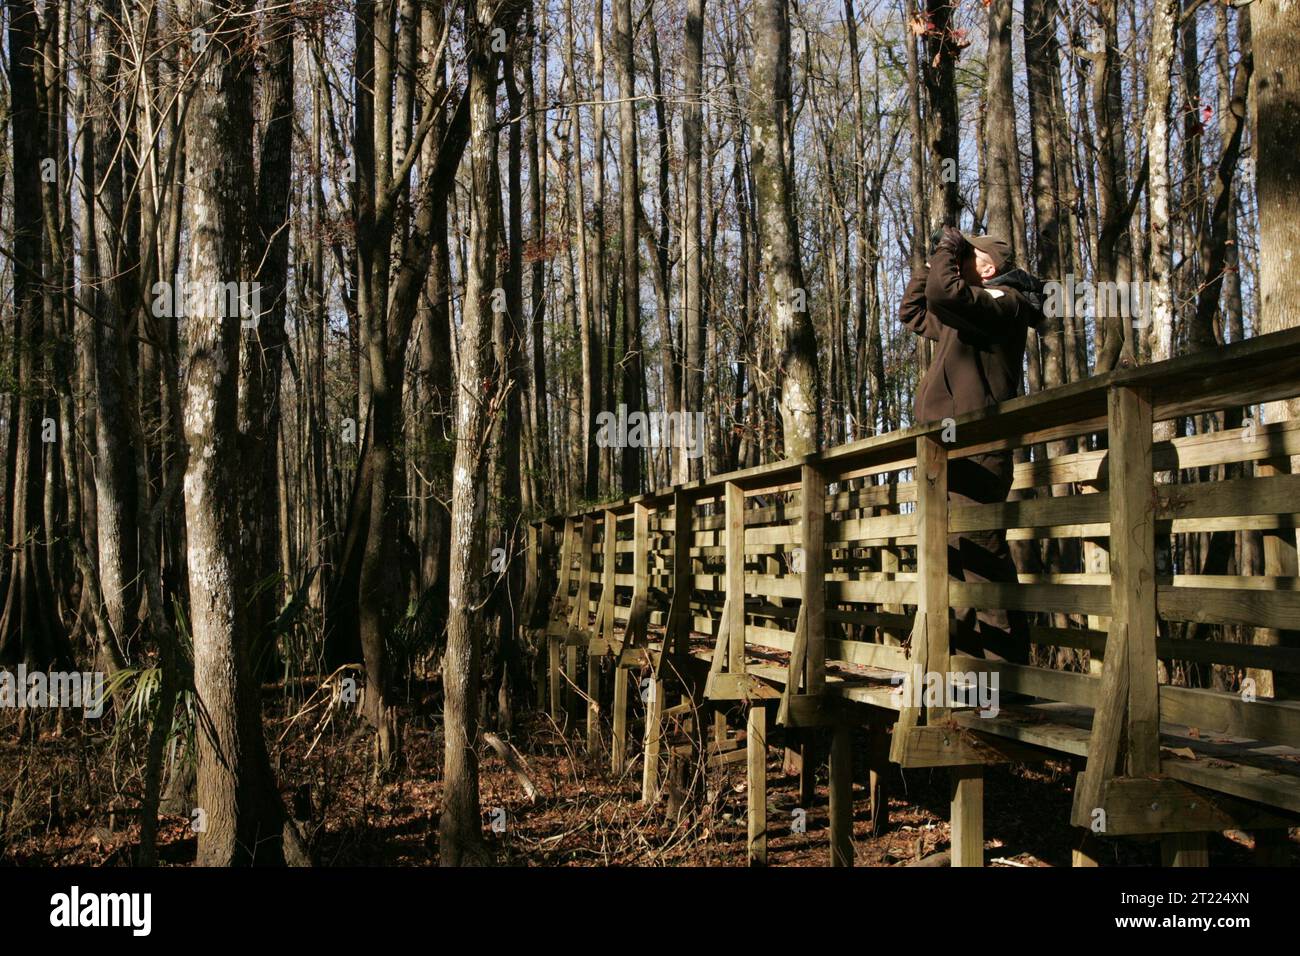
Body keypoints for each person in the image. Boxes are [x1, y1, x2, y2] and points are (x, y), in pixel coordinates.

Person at [899, 225, 1045, 665]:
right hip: (945, 451)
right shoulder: (967, 316)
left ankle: (1008, 680)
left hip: (979, 451)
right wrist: (932, 262)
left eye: (966, 257)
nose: (958, 264)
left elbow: (946, 296)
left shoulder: (1007, 303)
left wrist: (948, 248)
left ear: (986, 267)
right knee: (951, 561)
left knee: (982, 557)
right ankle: (966, 674)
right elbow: (913, 311)